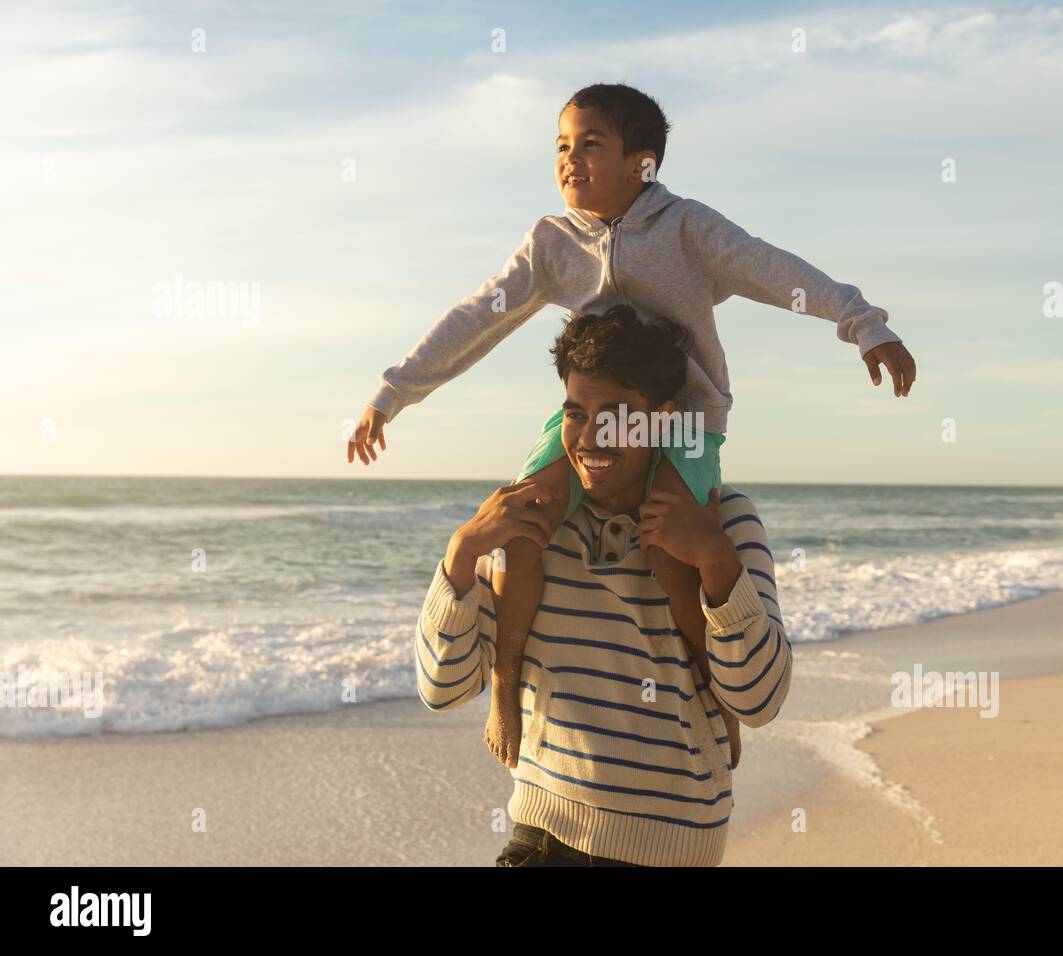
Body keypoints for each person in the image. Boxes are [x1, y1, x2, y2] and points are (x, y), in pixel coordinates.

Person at [358, 82, 914, 772]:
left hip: (685, 422)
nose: (570, 160)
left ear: (642, 163)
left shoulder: (688, 229)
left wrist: (864, 324)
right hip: (593, 420)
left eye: (591, 144)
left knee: (670, 552)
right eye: (562, 146)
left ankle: (714, 695)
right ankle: (505, 684)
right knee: (524, 523)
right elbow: (479, 317)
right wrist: (394, 393)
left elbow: (775, 270)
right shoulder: (550, 242)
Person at [414, 305, 792, 866]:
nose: (589, 437)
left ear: (662, 420)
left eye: (614, 416)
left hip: (673, 850)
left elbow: (760, 700)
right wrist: (461, 551)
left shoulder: (725, 519)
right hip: (540, 837)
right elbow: (441, 689)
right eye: (575, 413)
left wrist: (713, 558)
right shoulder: (534, 525)